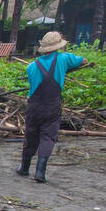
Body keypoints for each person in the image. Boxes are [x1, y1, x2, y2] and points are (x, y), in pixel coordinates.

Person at [17, 31, 89, 183]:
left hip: (34, 106)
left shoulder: (31, 67)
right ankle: (40, 172)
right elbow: (83, 61)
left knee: (31, 135)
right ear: (58, 46)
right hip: (52, 105)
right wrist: (64, 69)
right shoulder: (64, 58)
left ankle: (24, 168)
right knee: (48, 136)